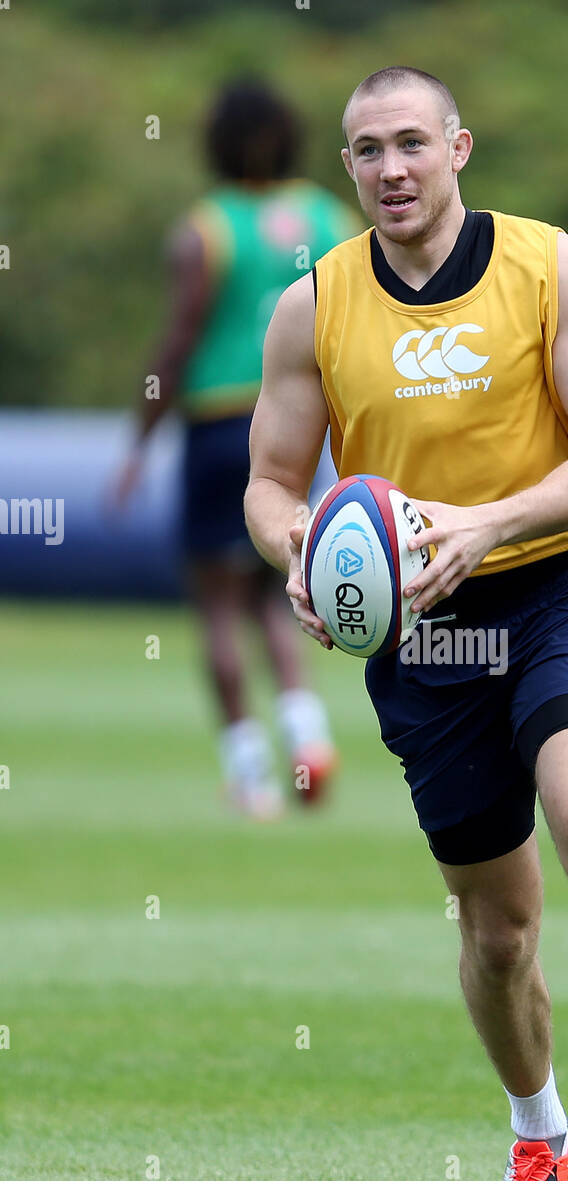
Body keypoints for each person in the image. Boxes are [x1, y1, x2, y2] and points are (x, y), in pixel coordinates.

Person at [246, 66, 568, 1181]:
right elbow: (268, 487)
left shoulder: (546, 265)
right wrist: (302, 555)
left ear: (458, 147)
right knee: (498, 927)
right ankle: (537, 1138)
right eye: (366, 151)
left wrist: (480, 524)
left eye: (412, 143)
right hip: (422, 632)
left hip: (557, 589)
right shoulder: (311, 305)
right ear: (348, 167)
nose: (391, 169)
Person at [115, 79, 361, 817]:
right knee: (273, 593)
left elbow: (180, 337)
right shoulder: (330, 215)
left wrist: (139, 439)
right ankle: (307, 738)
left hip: (222, 425)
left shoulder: (204, 227)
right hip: (298, 423)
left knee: (217, 604)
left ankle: (250, 774)